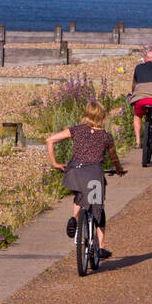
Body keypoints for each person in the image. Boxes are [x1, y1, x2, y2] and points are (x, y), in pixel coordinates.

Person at [46, 99, 126, 260]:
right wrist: (119, 169)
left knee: (79, 193)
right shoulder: (106, 137)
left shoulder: (76, 130)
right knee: (98, 209)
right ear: (103, 116)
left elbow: (50, 140)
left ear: (86, 115)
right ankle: (101, 247)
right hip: (94, 173)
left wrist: (54, 163)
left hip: (74, 171)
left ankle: (74, 218)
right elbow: (114, 157)